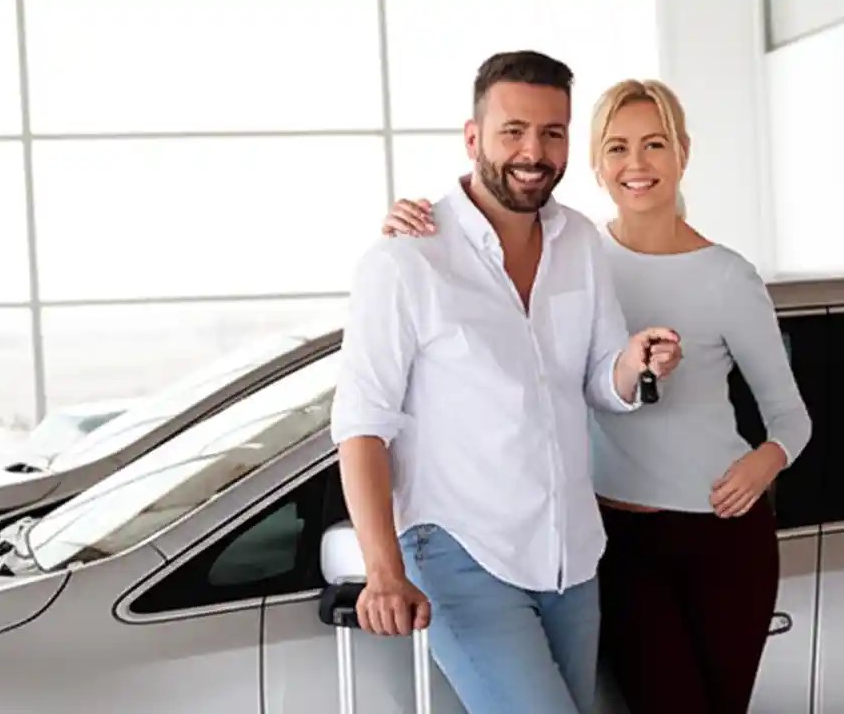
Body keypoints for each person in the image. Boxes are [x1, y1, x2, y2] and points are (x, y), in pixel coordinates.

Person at [378, 77, 813, 714]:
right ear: (595, 164)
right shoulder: (571, 251)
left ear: (682, 154)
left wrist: (761, 462)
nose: (636, 165)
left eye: (654, 145)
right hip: (609, 543)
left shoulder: (728, 278)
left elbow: (790, 419)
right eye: (617, 148)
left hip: (722, 539)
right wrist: (410, 224)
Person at [329, 50, 683, 714]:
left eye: (552, 133)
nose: (534, 151)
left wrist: (632, 364)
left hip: (572, 556)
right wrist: (383, 571)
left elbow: (599, 381)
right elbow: (361, 424)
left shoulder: (578, 239)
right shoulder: (407, 259)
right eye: (513, 130)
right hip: (464, 553)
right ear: (473, 138)